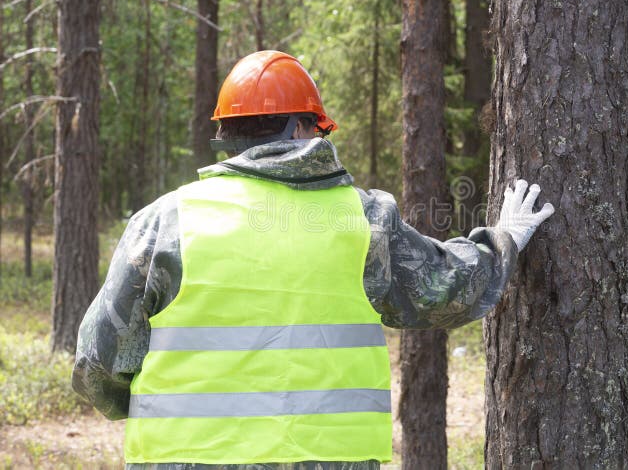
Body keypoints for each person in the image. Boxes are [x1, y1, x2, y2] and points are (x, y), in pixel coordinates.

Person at [72, 50, 554, 469]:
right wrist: (503, 241)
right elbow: (446, 289)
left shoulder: (165, 223)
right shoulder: (361, 219)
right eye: (316, 126)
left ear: (226, 133)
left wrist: (153, 411)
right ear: (301, 128)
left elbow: (98, 361)